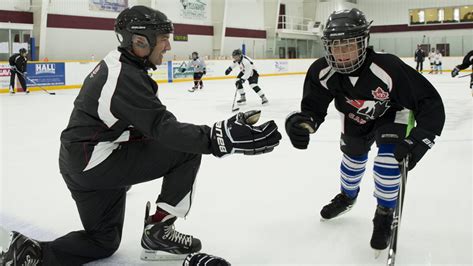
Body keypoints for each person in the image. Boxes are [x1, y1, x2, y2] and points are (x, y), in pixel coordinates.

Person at [1, 6, 281, 266]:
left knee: (103, 242)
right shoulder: (124, 76)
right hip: (95, 163)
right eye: (163, 38)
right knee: (185, 149)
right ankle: (160, 230)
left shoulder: (121, 65)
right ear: (139, 41)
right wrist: (219, 138)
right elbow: (163, 129)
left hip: (80, 164)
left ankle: (33, 254)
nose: (169, 45)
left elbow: (143, 127)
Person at [285, 8, 445, 252]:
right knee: (352, 163)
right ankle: (348, 197)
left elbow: (429, 102)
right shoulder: (322, 72)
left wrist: (419, 140)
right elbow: (313, 109)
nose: (341, 53)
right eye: (335, 46)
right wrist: (303, 122)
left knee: (388, 164)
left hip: (392, 115)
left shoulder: (388, 68)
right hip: (353, 118)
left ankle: (384, 211)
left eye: (348, 45)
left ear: (364, 43)